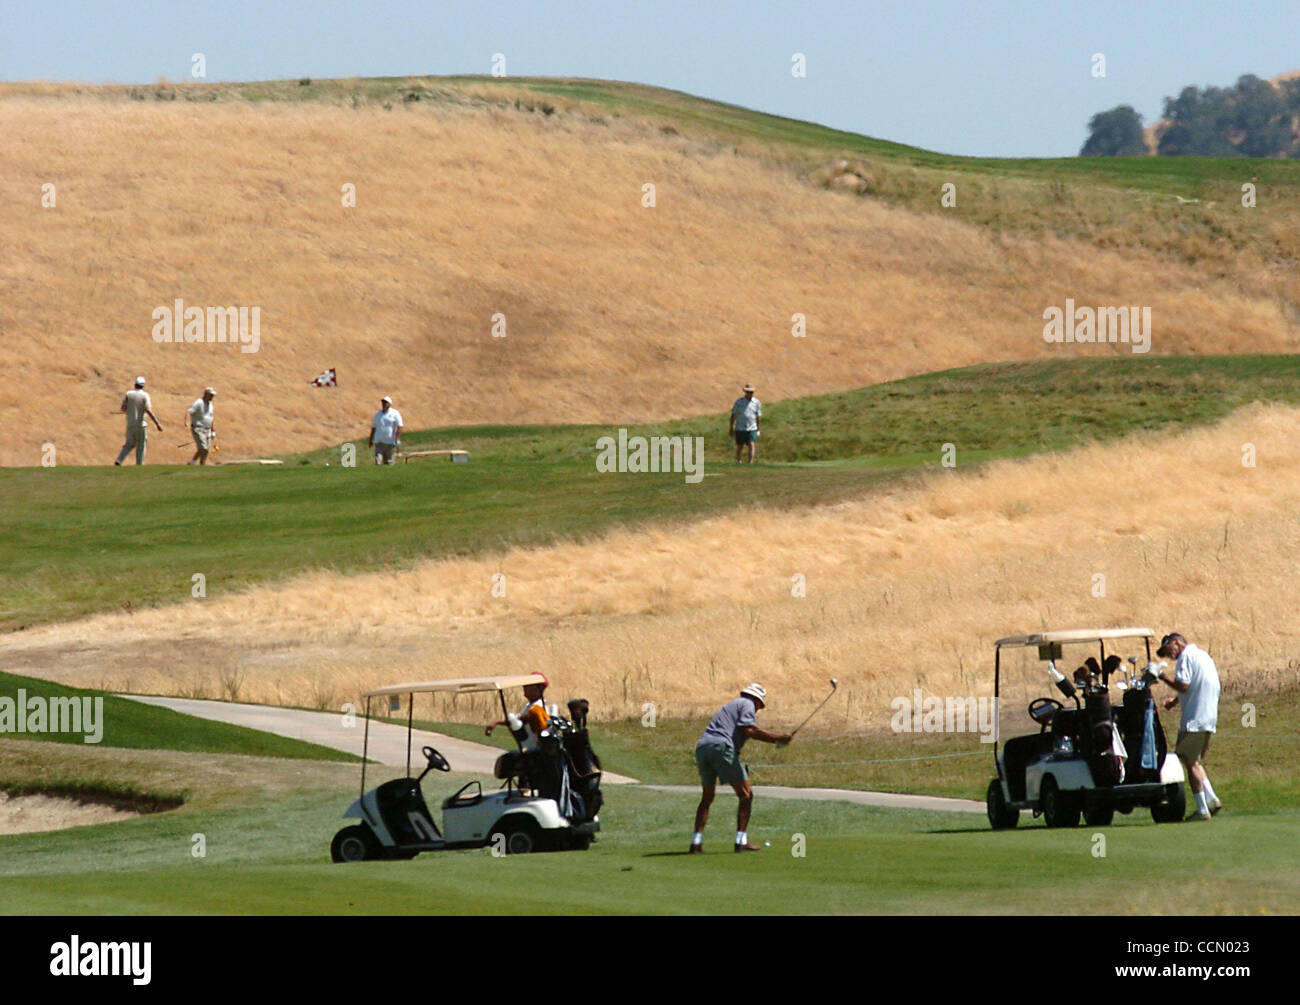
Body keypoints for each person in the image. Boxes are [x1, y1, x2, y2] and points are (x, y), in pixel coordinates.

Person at [690, 683, 792, 853]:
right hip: (721, 747)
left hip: (703, 747)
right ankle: (741, 841)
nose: (757, 709)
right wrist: (778, 738)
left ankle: (696, 842)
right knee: (746, 795)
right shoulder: (747, 704)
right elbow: (749, 730)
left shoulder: (732, 705)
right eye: (760, 705)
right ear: (756, 700)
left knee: (707, 797)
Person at [1153, 632, 1222, 821]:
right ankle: (1211, 798)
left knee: (1186, 758)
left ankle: (1202, 809)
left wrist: (1160, 675)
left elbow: (1183, 685)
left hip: (1194, 718)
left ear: (1176, 642)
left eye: (1169, 650)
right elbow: (1197, 685)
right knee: (1193, 760)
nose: (1170, 656)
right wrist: (1175, 702)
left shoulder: (1185, 657)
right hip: (1208, 717)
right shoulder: (1202, 656)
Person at [485, 675, 550, 752]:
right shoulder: (530, 706)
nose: (524, 687)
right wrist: (496, 722)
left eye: (527, 685)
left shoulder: (537, 708)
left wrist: (497, 722)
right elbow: (517, 721)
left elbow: (522, 720)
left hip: (534, 751)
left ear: (536, 689)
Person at [114, 376, 163, 466]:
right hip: (141, 424)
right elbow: (148, 410)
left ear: (135, 384)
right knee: (141, 445)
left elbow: (123, 408)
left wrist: (130, 410)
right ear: (143, 386)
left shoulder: (128, 394)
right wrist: (157, 424)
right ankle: (139, 464)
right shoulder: (145, 395)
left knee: (129, 443)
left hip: (130, 424)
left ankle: (119, 460)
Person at [729, 384, 762, 463]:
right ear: (745, 392)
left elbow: (758, 416)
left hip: (752, 427)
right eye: (748, 392)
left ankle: (750, 462)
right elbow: (733, 415)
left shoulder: (756, 402)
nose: (749, 394)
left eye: (751, 392)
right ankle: (739, 460)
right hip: (740, 427)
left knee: (751, 444)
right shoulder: (739, 402)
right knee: (740, 446)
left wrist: (758, 429)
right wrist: (731, 427)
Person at [185, 387, 216, 466]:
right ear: (206, 394)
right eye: (211, 395)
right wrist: (186, 421)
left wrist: (213, 430)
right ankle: (192, 462)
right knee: (203, 448)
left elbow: (211, 418)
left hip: (207, 429)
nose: (212, 397)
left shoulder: (210, 404)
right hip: (198, 428)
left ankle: (202, 464)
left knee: (206, 450)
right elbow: (189, 412)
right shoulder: (199, 402)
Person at [369, 395, 404, 464]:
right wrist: (371, 440)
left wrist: (397, 439)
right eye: (383, 402)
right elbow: (374, 427)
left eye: (386, 402)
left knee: (389, 462)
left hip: (390, 443)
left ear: (390, 404)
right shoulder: (378, 414)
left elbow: (400, 426)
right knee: (378, 461)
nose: (384, 404)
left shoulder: (395, 413)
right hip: (379, 442)